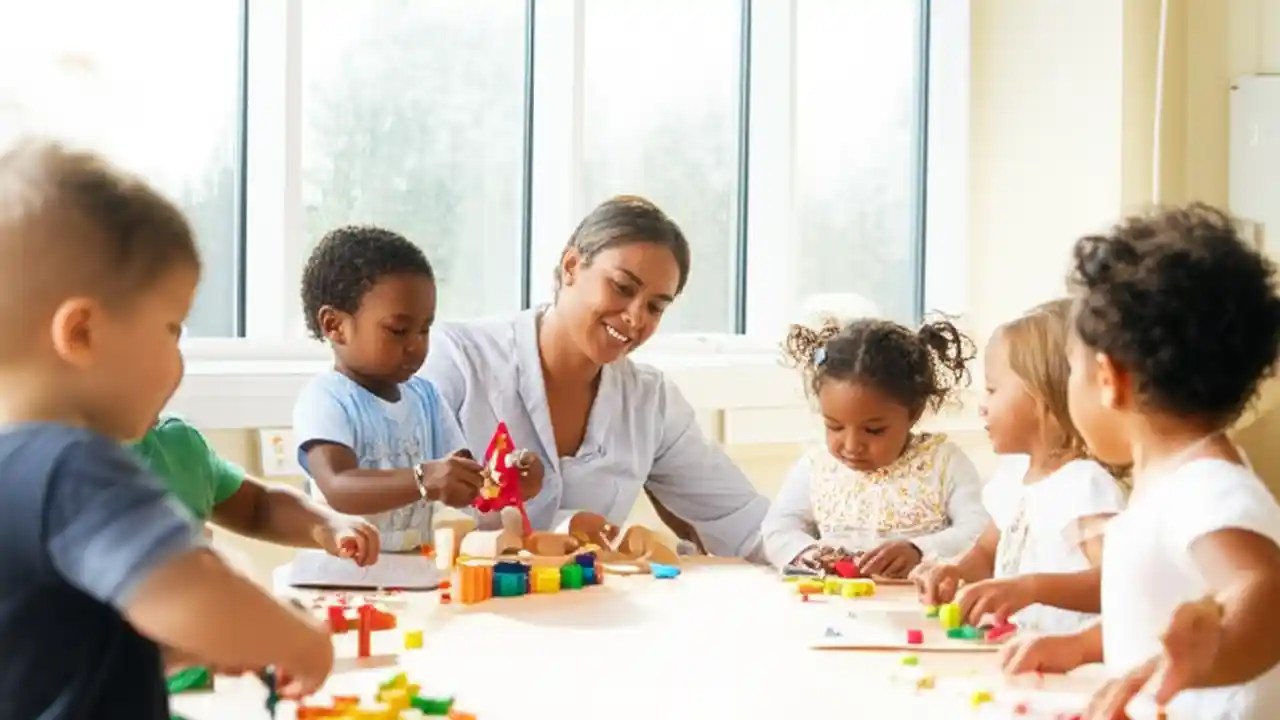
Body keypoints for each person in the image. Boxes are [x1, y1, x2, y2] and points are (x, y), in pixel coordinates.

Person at [0, 140, 332, 718]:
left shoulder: (18, 471)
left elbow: (63, 650)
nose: (179, 357)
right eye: (171, 326)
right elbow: (191, 592)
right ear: (82, 333)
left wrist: (190, 644)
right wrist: (296, 638)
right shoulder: (74, 465)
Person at [999, 205, 1280, 719]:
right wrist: (1081, 647)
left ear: (1110, 378)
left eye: (1069, 368)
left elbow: (1264, 588)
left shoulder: (1208, 486)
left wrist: (1207, 655)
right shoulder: (1172, 483)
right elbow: (1152, 613)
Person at [423, 196, 769, 558]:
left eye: (655, 307)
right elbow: (399, 505)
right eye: (622, 287)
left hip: (590, 610)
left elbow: (741, 519)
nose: (636, 317)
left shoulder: (650, 402)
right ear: (571, 266)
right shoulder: (457, 360)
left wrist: (811, 550)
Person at [292, 225, 541, 557]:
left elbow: (464, 485)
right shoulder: (325, 398)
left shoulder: (427, 398)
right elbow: (337, 485)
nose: (416, 345)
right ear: (335, 326)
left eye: (425, 329)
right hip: (341, 585)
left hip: (411, 577)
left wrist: (509, 480)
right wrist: (424, 479)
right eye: (398, 330)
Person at [911, 299, 1126, 633]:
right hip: (1018, 649)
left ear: (1042, 396)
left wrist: (1031, 588)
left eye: (993, 390)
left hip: (1070, 660)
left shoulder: (1084, 486)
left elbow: (1115, 585)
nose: (983, 407)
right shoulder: (1013, 477)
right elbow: (985, 552)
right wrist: (956, 572)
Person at [760, 316, 987, 578]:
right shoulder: (817, 466)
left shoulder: (944, 463)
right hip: (834, 605)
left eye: (873, 430)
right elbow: (778, 526)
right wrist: (806, 553)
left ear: (913, 412)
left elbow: (979, 531)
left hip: (917, 607)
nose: (852, 445)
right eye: (834, 427)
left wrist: (919, 550)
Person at [133, 414, 380, 563]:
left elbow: (257, 506)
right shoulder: (96, 469)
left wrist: (325, 524)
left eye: (175, 333)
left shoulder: (178, 444)